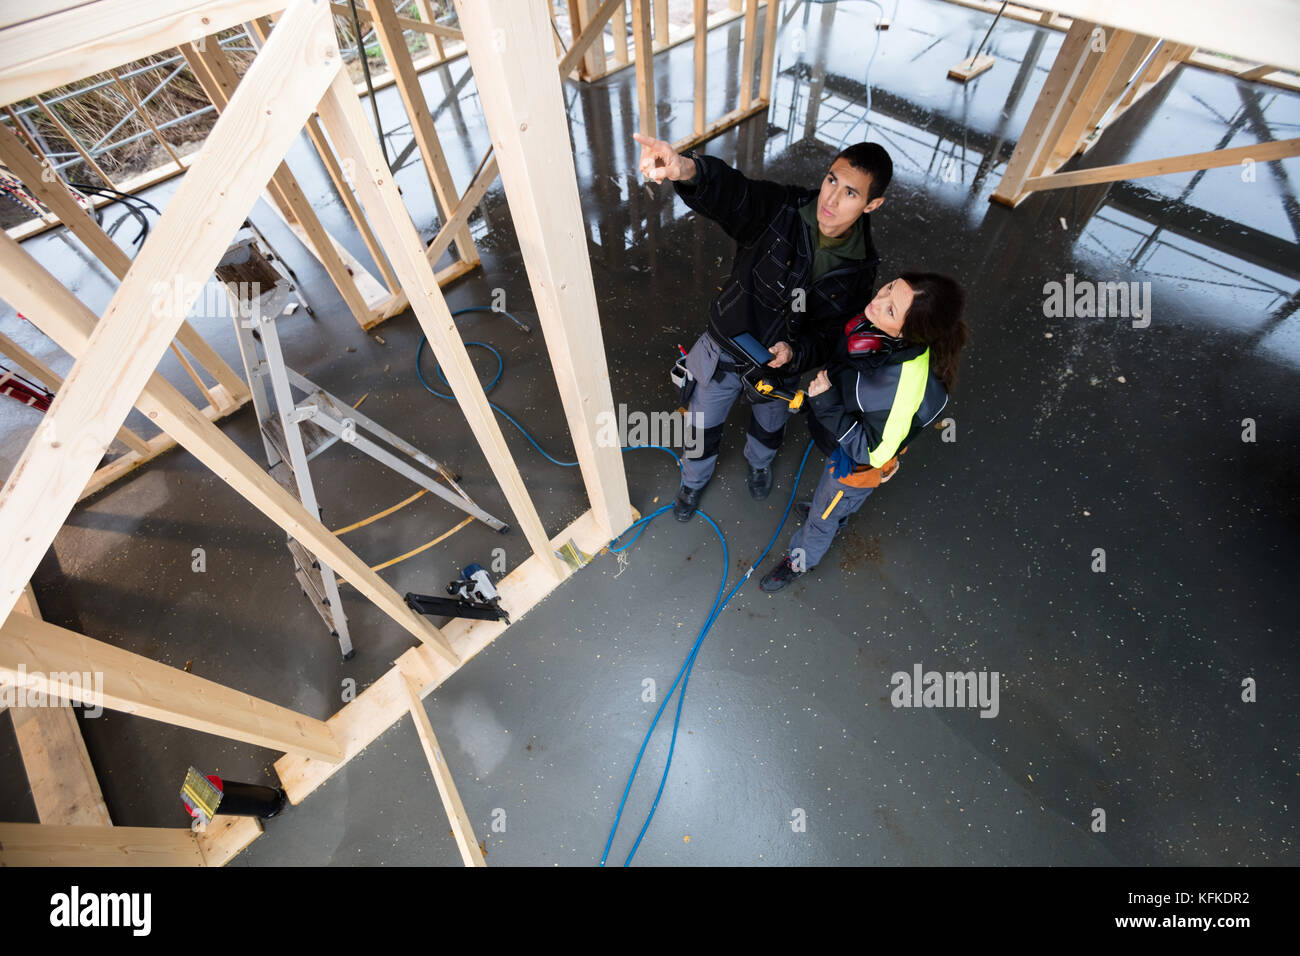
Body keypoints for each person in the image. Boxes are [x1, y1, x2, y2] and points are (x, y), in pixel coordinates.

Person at [634, 132, 893, 520]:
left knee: (769, 425)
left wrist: (795, 352)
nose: (831, 199)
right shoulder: (781, 208)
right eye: (831, 180)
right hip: (724, 349)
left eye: (851, 194)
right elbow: (733, 194)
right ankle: (693, 481)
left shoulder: (858, 271)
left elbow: (832, 337)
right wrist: (686, 169)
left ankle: (759, 463)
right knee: (701, 427)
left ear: (873, 204)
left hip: (778, 369)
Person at [758, 272, 969, 592]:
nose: (878, 301)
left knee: (821, 519)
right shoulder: (877, 327)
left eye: (891, 310)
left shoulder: (899, 388)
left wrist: (825, 402)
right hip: (848, 430)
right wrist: (793, 353)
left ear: (910, 334)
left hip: (857, 463)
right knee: (833, 508)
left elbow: (874, 453)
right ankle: (839, 515)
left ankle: (801, 560)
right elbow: (836, 346)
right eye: (888, 288)